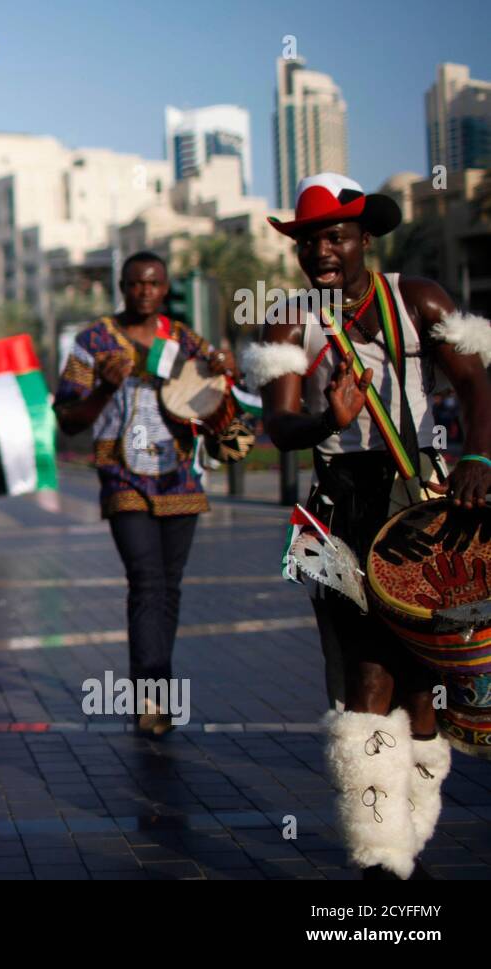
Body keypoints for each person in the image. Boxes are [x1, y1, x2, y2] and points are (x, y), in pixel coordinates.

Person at [243, 172, 491, 880]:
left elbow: (476, 384)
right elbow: (282, 426)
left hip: (421, 502)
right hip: (337, 508)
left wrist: (477, 457)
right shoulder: (290, 320)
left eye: (336, 237)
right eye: (310, 240)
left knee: (421, 681)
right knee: (364, 673)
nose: (323, 251)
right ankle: (381, 855)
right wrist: (330, 418)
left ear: (364, 240)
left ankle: (406, 830)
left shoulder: (419, 301)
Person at [55, 251, 235, 735]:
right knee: (146, 580)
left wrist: (225, 367)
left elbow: (214, 390)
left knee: (168, 585)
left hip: (180, 475)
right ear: (122, 285)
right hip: (122, 475)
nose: (145, 292)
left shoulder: (181, 339)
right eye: (136, 284)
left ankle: (160, 689)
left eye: (154, 283)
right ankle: (149, 699)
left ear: (165, 286)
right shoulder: (93, 341)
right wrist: (100, 391)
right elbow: (66, 415)